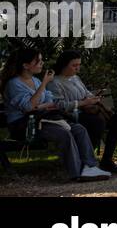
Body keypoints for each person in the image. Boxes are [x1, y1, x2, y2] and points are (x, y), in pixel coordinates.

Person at [2, 47, 110, 182]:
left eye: (41, 60)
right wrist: (44, 85)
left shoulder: (35, 81)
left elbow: (50, 101)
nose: (42, 63)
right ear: (25, 65)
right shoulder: (14, 84)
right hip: (24, 125)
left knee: (78, 129)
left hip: (41, 119)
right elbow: (28, 107)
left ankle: (90, 166)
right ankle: (76, 172)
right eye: (38, 61)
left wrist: (40, 105)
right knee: (63, 133)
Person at [48, 51, 117, 174]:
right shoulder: (54, 82)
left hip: (88, 112)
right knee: (97, 122)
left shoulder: (75, 78)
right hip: (72, 115)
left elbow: (86, 93)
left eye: (79, 65)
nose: (77, 68)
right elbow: (59, 106)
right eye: (74, 65)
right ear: (64, 65)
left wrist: (94, 98)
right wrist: (82, 103)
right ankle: (87, 161)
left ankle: (107, 160)